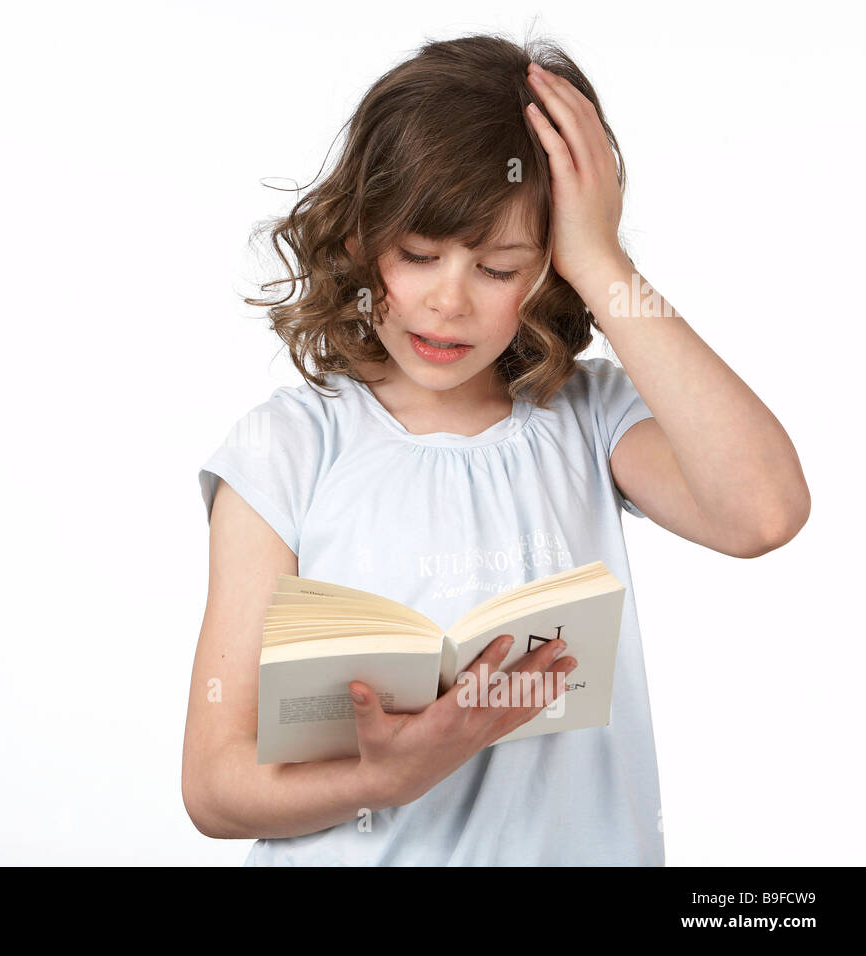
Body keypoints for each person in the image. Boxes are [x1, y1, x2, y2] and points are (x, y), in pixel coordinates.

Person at [181, 33, 810, 866]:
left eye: (499, 266)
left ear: (549, 271)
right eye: (417, 255)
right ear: (362, 237)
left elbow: (763, 512)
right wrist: (381, 780)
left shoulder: (589, 419)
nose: (449, 301)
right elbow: (214, 784)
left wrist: (602, 258)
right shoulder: (289, 449)